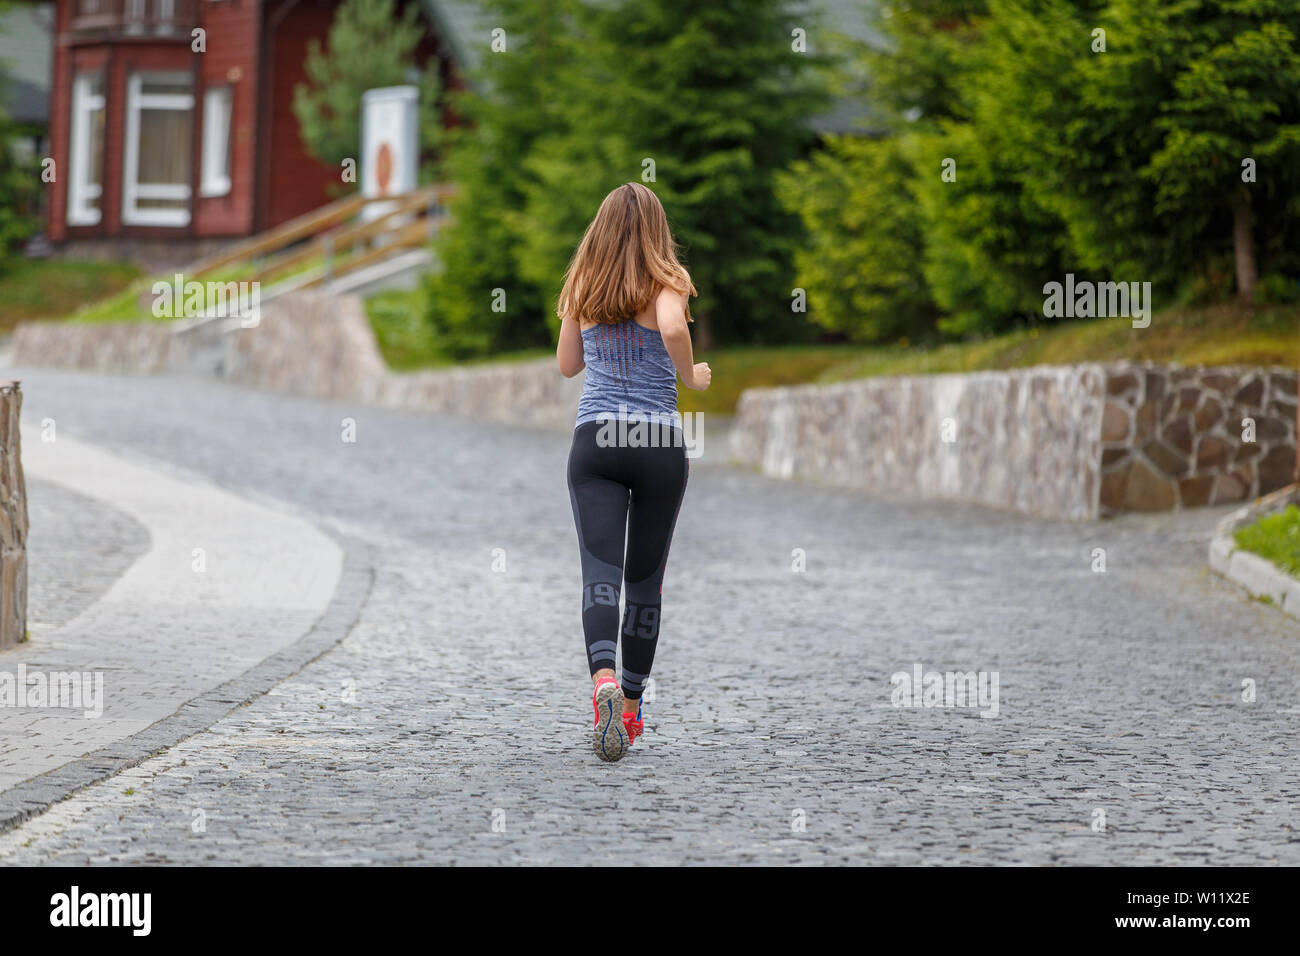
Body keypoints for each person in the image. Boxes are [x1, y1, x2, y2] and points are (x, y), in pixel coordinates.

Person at [555, 182, 711, 762]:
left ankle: (601, 679)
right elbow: (672, 327)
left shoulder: (582, 286)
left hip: (595, 439)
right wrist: (690, 374)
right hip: (654, 441)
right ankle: (631, 702)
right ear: (657, 228)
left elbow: (568, 366)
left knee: (600, 573)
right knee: (645, 582)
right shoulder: (666, 281)